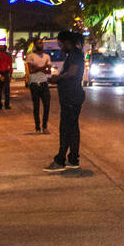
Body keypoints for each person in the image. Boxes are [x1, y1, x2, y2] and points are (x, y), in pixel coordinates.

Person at [45, 31, 85, 172]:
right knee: (73, 128)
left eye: (60, 44)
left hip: (71, 96)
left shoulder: (74, 54)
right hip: (73, 95)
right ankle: (73, 159)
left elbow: (73, 73)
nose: (60, 47)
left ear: (67, 42)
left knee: (66, 129)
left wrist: (58, 78)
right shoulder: (76, 54)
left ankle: (60, 160)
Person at [25, 39, 51, 133]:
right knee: (36, 106)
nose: (41, 44)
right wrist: (43, 67)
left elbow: (48, 71)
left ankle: (44, 126)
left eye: (42, 43)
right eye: (39, 43)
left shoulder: (47, 56)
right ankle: (37, 127)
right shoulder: (30, 56)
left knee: (47, 105)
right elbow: (31, 70)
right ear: (35, 45)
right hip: (34, 83)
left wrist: (37, 68)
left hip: (44, 83)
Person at [0, 44, 12, 110]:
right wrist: (10, 74)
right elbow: (10, 67)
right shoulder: (8, 57)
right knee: (6, 91)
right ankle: (6, 105)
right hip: (6, 74)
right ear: (4, 50)